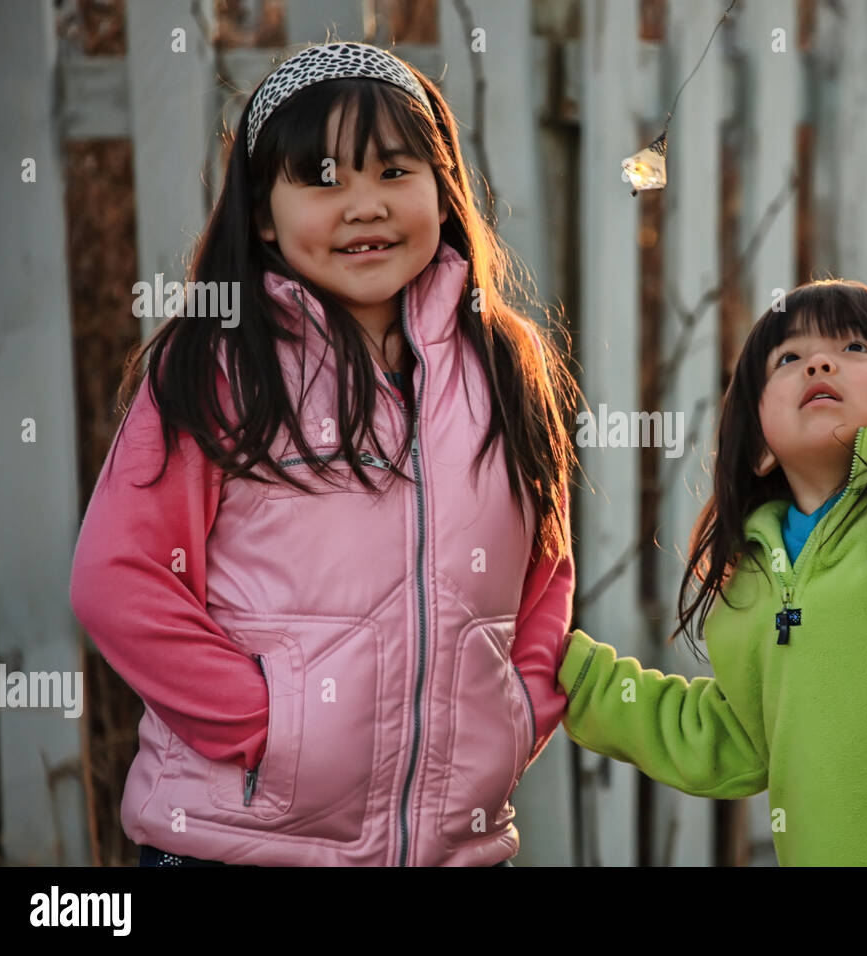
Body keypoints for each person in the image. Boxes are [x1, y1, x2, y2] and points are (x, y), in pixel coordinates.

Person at [69, 42, 577, 867]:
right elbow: (118, 579)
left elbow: (545, 571)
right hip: (239, 845)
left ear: (443, 193)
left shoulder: (504, 359)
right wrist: (274, 727)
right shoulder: (219, 363)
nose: (365, 206)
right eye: (324, 178)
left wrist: (517, 708)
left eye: (395, 172)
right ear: (264, 212)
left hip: (455, 849)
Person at [558, 280, 867, 865]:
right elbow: (731, 736)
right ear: (760, 443)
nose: (818, 360)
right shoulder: (750, 585)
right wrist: (577, 679)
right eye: (787, 358)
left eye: (857, 347)